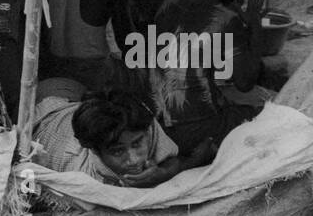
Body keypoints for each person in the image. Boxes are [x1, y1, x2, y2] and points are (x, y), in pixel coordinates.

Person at [148, 0, 266, 155]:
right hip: (198, 129)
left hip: (157, 125)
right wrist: (255, 26)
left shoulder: (168, 3)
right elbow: (245, 82)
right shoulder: (226, 19)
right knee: (268, 115)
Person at [31, 79, 215, 187]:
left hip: (74, 92)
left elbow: (172, 159)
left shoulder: (141, 122)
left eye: (137, 144)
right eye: (118, 151)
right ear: (95, 150)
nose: (134, 159)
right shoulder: (80, 175)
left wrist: (164, 172)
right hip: (46, 99)